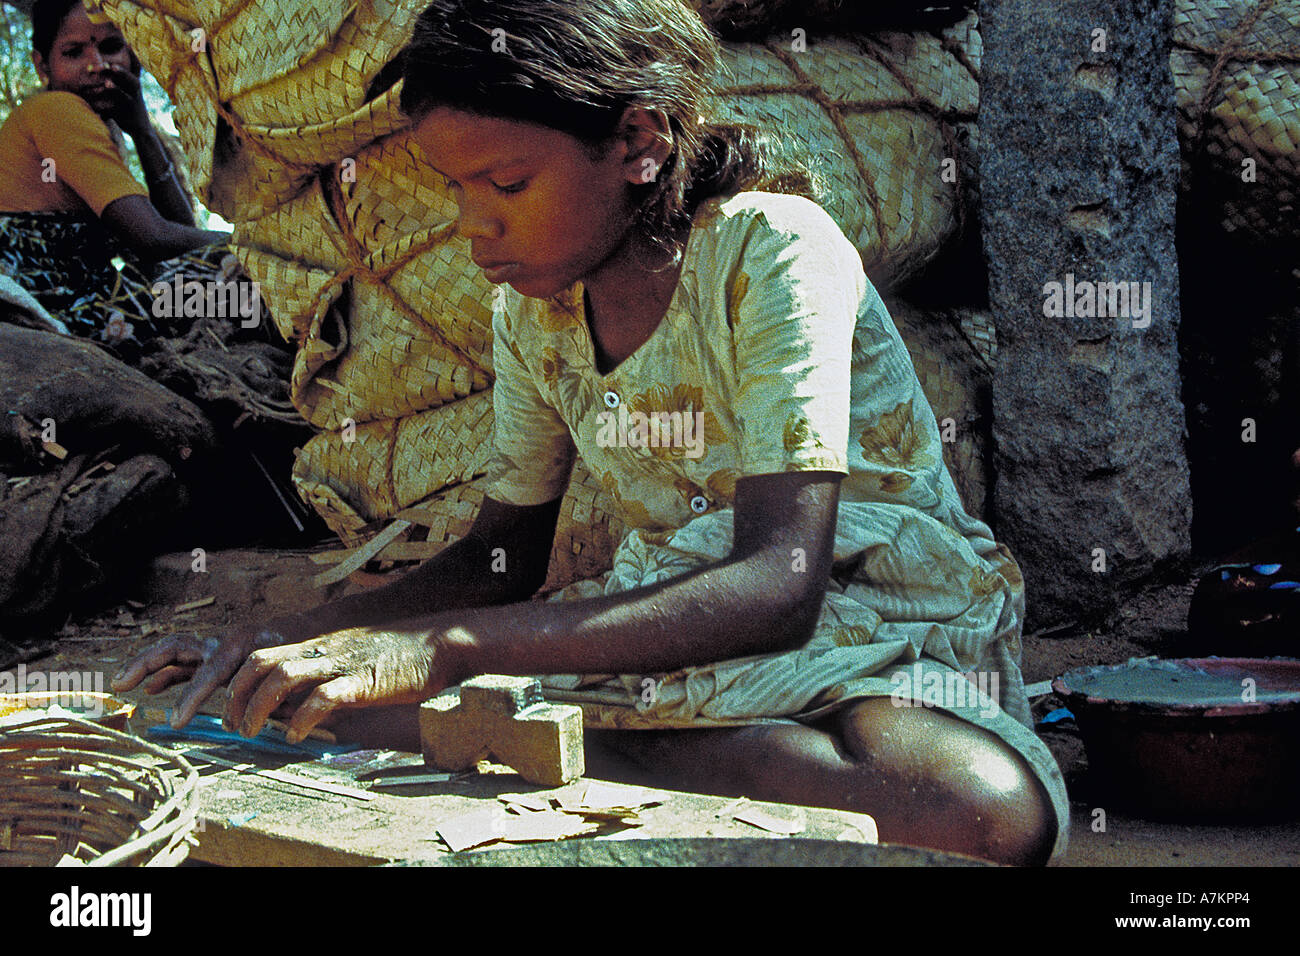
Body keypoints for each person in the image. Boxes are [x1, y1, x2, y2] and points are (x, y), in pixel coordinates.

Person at [115, 0, 1069, 865]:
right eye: (456, 191)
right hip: (676, 633)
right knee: (303, 704)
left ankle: (587, 751)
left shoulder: (771, 250)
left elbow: (782, 583)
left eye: (506, 182)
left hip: (870, 623)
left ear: (637, 141)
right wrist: (293, 636)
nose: (474, 228)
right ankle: (602, 747)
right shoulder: (535, 313)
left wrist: (445, 651)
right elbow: (500, 557)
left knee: (978, 811)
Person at [0, 0, 229, 351]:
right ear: (42, 64)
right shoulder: (56, 110)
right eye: (74, 53)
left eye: (111, 47)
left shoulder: (104, 131)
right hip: (62, 305)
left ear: (134, 55)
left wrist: (142, 129)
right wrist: (253, 248)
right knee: (240, 280)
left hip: (82, 299)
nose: (98, 65)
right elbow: (152, 238)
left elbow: (174, 231)